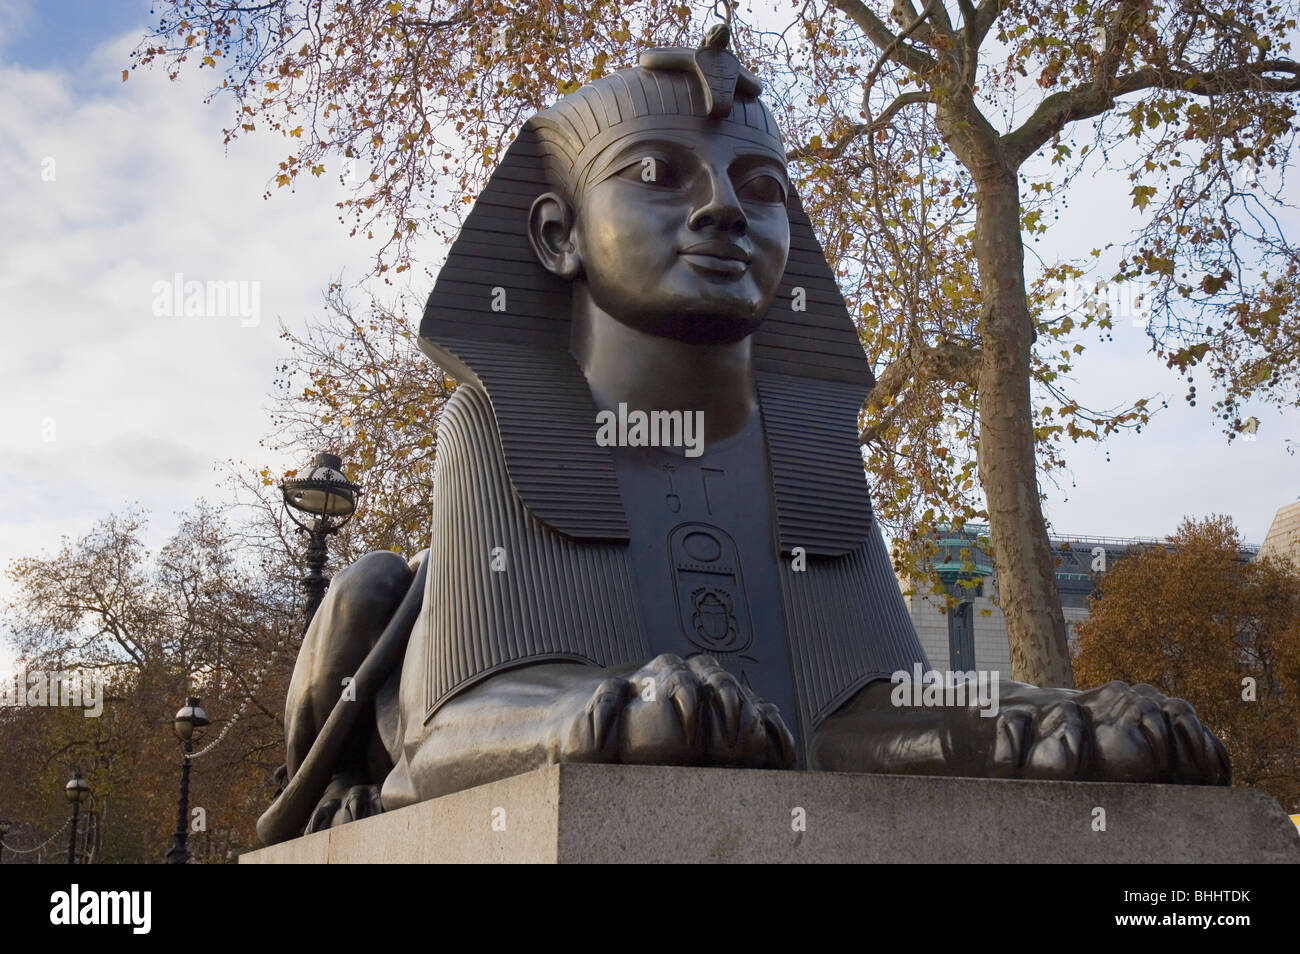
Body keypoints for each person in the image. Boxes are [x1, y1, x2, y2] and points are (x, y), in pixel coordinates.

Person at [257, 27, 1229, 846]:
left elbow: (854, 714)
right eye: (655, 174)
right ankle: (332, 775)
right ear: (555, 234)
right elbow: (462, 724)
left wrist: (1026, 719)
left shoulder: (803, 448)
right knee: (369, 587)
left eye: (761, 185)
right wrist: (593, 715)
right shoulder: (493, 421)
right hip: (431, 709)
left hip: (695, 691)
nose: (724, 206)